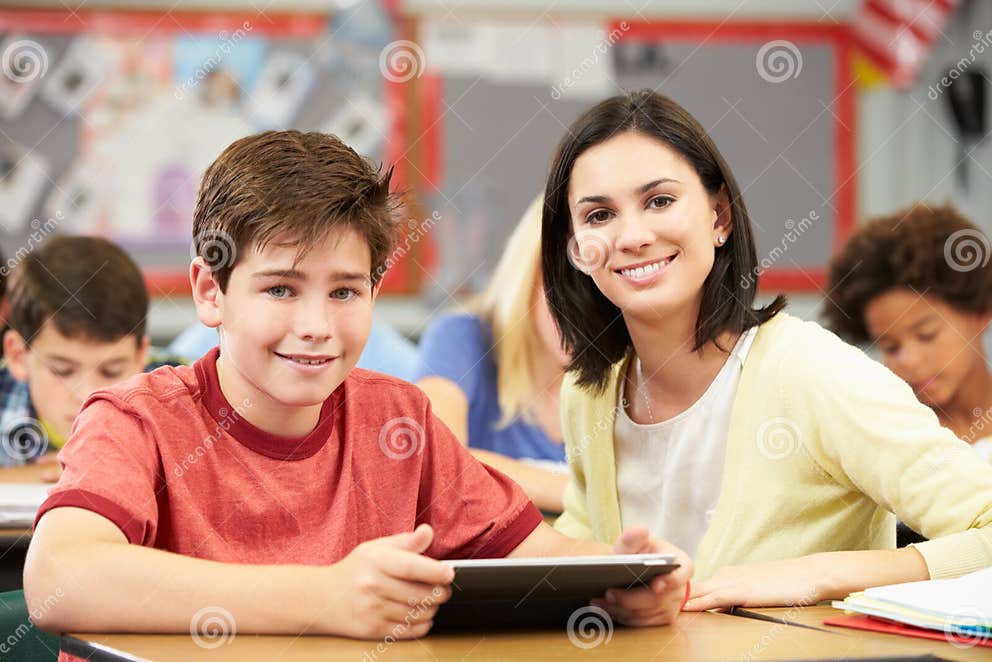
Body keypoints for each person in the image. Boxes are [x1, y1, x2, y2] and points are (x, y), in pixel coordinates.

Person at [25, 131, 691, 650]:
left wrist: (624, 577)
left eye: (344, 291)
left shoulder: (397, 419)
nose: (315, 327)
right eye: (281, 288)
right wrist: (326, 598)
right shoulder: (133, 418)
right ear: (210, 292)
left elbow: (539, 559)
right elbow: (59, 581)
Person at [539, 90, 992, 615]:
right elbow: (580, 537)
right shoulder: (589, 392)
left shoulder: (810, 372)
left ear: (719, 218)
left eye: (660, 201)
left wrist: (824, 574)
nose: (632, 235)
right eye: (598, 215)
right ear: (574, 248)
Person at [416, 195, 569, 512]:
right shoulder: (461, 337)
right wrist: (583, 496)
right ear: (529, 274)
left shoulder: (627, 376)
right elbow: (435, 461)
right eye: (569, 283)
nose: (585, 311)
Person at [824, 204, 992, 462]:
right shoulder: (890, 446)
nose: (910, 361)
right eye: (890, 347)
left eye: (927, 334)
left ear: (980, 313)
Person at [1, 235, 183, 467]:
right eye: (63, 371)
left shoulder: (190, 396)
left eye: (111, 371)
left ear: (140, 356)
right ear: (17, 355)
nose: (88, 395)